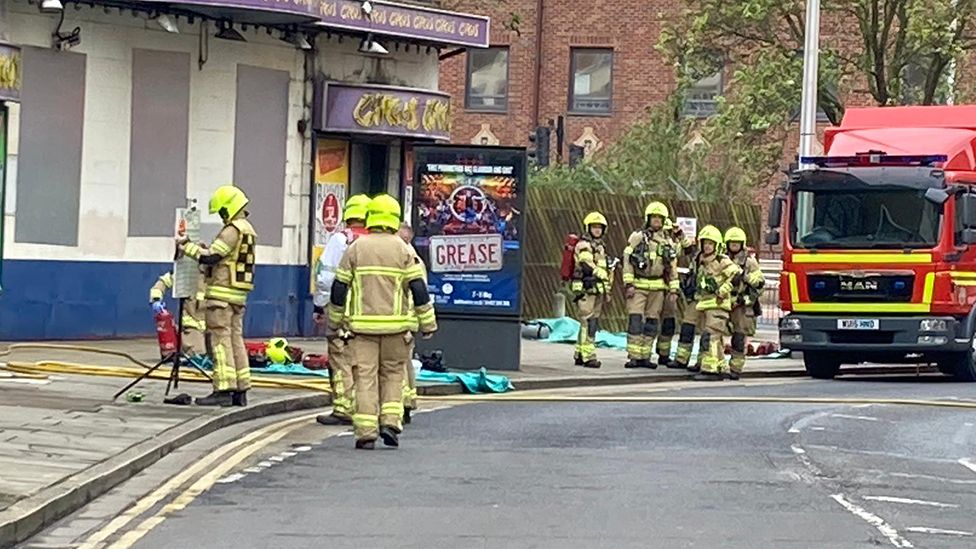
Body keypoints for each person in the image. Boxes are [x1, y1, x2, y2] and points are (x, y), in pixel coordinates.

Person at [328, 194, 437, 450]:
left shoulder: (356, 247)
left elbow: (339, 287)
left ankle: (365, 432)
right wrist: (427, 323)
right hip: (396, 330)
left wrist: (334, 320)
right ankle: (390, 423)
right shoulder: (403, 248)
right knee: (392, 376)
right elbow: (418, 288)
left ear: (371, 217)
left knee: (365, 378)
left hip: (362, 330)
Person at [179, 185, 257, 406]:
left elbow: (212, 256)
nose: (222, 217)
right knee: (235, 340)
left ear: (229, 208)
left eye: (222, 212)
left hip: (221, 297)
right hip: (238, 296)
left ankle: (223, 389)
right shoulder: (248, 229)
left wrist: (188, 248)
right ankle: (240, 390)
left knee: (219, 341)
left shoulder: (232, 229)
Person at [313, 194, 371, 426]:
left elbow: (326, 277)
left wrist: (320, 304)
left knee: (339, 359)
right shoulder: (378, 241)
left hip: (342, 309)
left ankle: (343, 408)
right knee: (363, 362)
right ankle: (363, 407)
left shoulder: (341, 240)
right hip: (369, 312)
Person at [622, 202, 679, 369]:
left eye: (659, 218)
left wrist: (674, 289)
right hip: (638, 285)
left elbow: (673, 266)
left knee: (652, 322)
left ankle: (645, 356)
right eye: (654, 217)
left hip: (658, 287)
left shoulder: (667, 241)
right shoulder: (638, 236)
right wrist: (629, 283)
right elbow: (627, 260)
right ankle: (634, 356)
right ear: (648, 219)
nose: (656, 221)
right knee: (635, 320)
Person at [691, 225, 742, 381]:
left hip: (717, 305)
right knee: (715, 337)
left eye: (710, 243)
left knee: (711, 336)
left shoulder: (722, 260)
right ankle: (720, 365)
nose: (707, 246)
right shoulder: (702, 261)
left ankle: (710, 369)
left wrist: (723, 290)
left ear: (717, 245)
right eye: (705, 243)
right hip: (706, 303)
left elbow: (737, 274)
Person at [724, 226, 765, 380]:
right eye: (731, 243)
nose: (734, 245)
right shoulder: (722, 259)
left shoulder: (749, 261)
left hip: (741, 305)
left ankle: (736, 368)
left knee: (739, 337)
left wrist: (746, 277)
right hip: (723, 302)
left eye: (737, 243)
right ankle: (714, 365)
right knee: (714, 334)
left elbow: (759, 283)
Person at [572, 211, 611, 369]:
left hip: (596, 289)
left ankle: (580, 353)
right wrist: (599, 272)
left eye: (599, 227)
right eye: (594, 227)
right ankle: (589, 357)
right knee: (589, 322)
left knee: (587, 322)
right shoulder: (584, 245)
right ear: (588, 228)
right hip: (586, 289)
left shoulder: (600, 246)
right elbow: (586, 263)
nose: (597, 230)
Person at [656, 219, 696, 368]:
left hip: (669, 289)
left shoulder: (672, 246)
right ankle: (642, 355)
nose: (666, 234)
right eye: (664, 231)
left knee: (668, 323)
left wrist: (679, 233)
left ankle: (663, 354)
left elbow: (689, 249)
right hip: (654, 287)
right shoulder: (650, 244)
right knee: (651, 322)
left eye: (668, 232)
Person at [148, 269, 207, 360]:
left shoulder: (217, 276)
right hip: (192, 329)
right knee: (198, 357)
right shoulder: (186, 273)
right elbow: (162, 283)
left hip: (213, 330)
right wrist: (156, 299)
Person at [398, 222, 424, 423]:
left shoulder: (405, 258)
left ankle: (400, 405)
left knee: (396, 366)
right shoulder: (416, 259)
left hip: (400, 321)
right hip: (408, 322)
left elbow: (416, 293)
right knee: (405, 364)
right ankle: (407, 403)